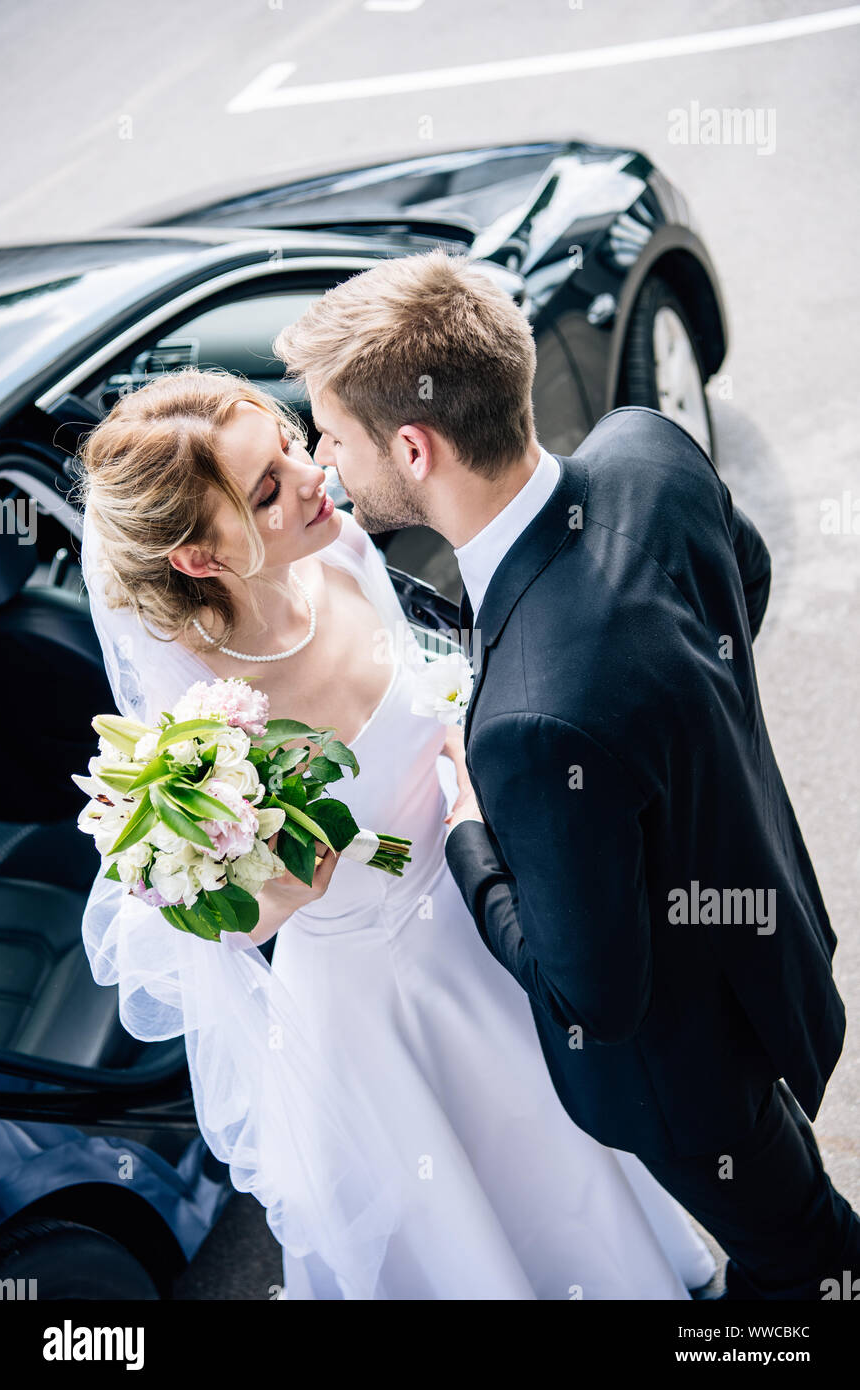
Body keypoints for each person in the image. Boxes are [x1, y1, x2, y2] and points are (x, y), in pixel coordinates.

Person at [275, 248, 860, 1301]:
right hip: (770, 929)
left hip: (687, 1076)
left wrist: (468, 828)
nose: (323, 457)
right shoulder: (651, 452)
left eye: (333, 433)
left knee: (798, 1256)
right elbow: (748, 575)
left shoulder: (531, 727)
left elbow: (593, 990)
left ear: (412, 444)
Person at [76, 367, 715, 1300]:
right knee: (466, 1217)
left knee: (573, 1146)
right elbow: (202, 922)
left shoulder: (340, 560)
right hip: (377, 1006)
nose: (310, 476)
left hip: (486, 917)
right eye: (266, 489)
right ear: (198, 559)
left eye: (293, 445)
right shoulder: (195, 717)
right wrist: (277, 897)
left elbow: (434, 697)